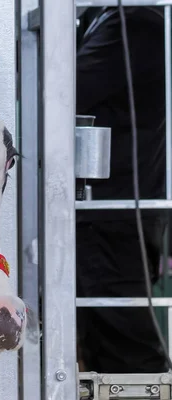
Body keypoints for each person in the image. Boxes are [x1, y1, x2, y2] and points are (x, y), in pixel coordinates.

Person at [75, 6, 169, 373]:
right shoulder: (106, 18)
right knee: (101, 345)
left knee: (127, 348)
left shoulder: (133, 22)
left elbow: (65, 91)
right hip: (105, 214)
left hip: (114, 214)